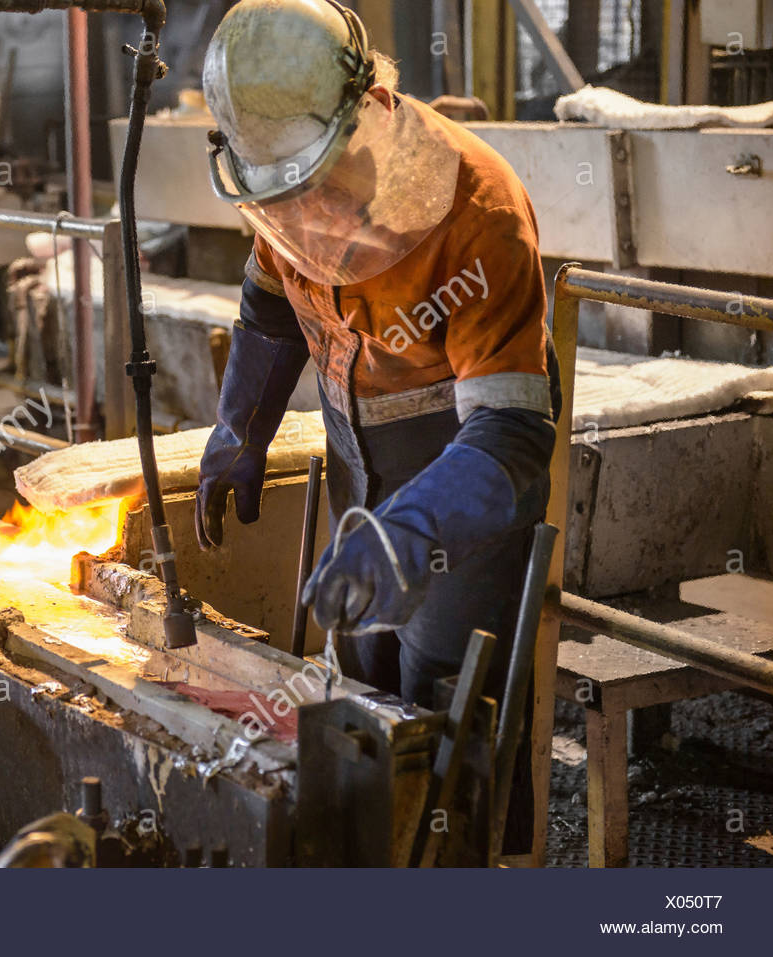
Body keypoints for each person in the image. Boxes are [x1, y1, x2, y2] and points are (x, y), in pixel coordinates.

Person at [195, 0, 560, 731]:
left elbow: (513, 431)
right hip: (358, 478)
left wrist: (411, 533)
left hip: (462, 494)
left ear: (373, 110)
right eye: (286, 203)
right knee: (356, 691)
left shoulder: (480, 213)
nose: (310, 219)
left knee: (447, 700)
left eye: (322, 187)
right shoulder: (287, 193)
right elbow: (271, 305)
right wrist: (240, 429)